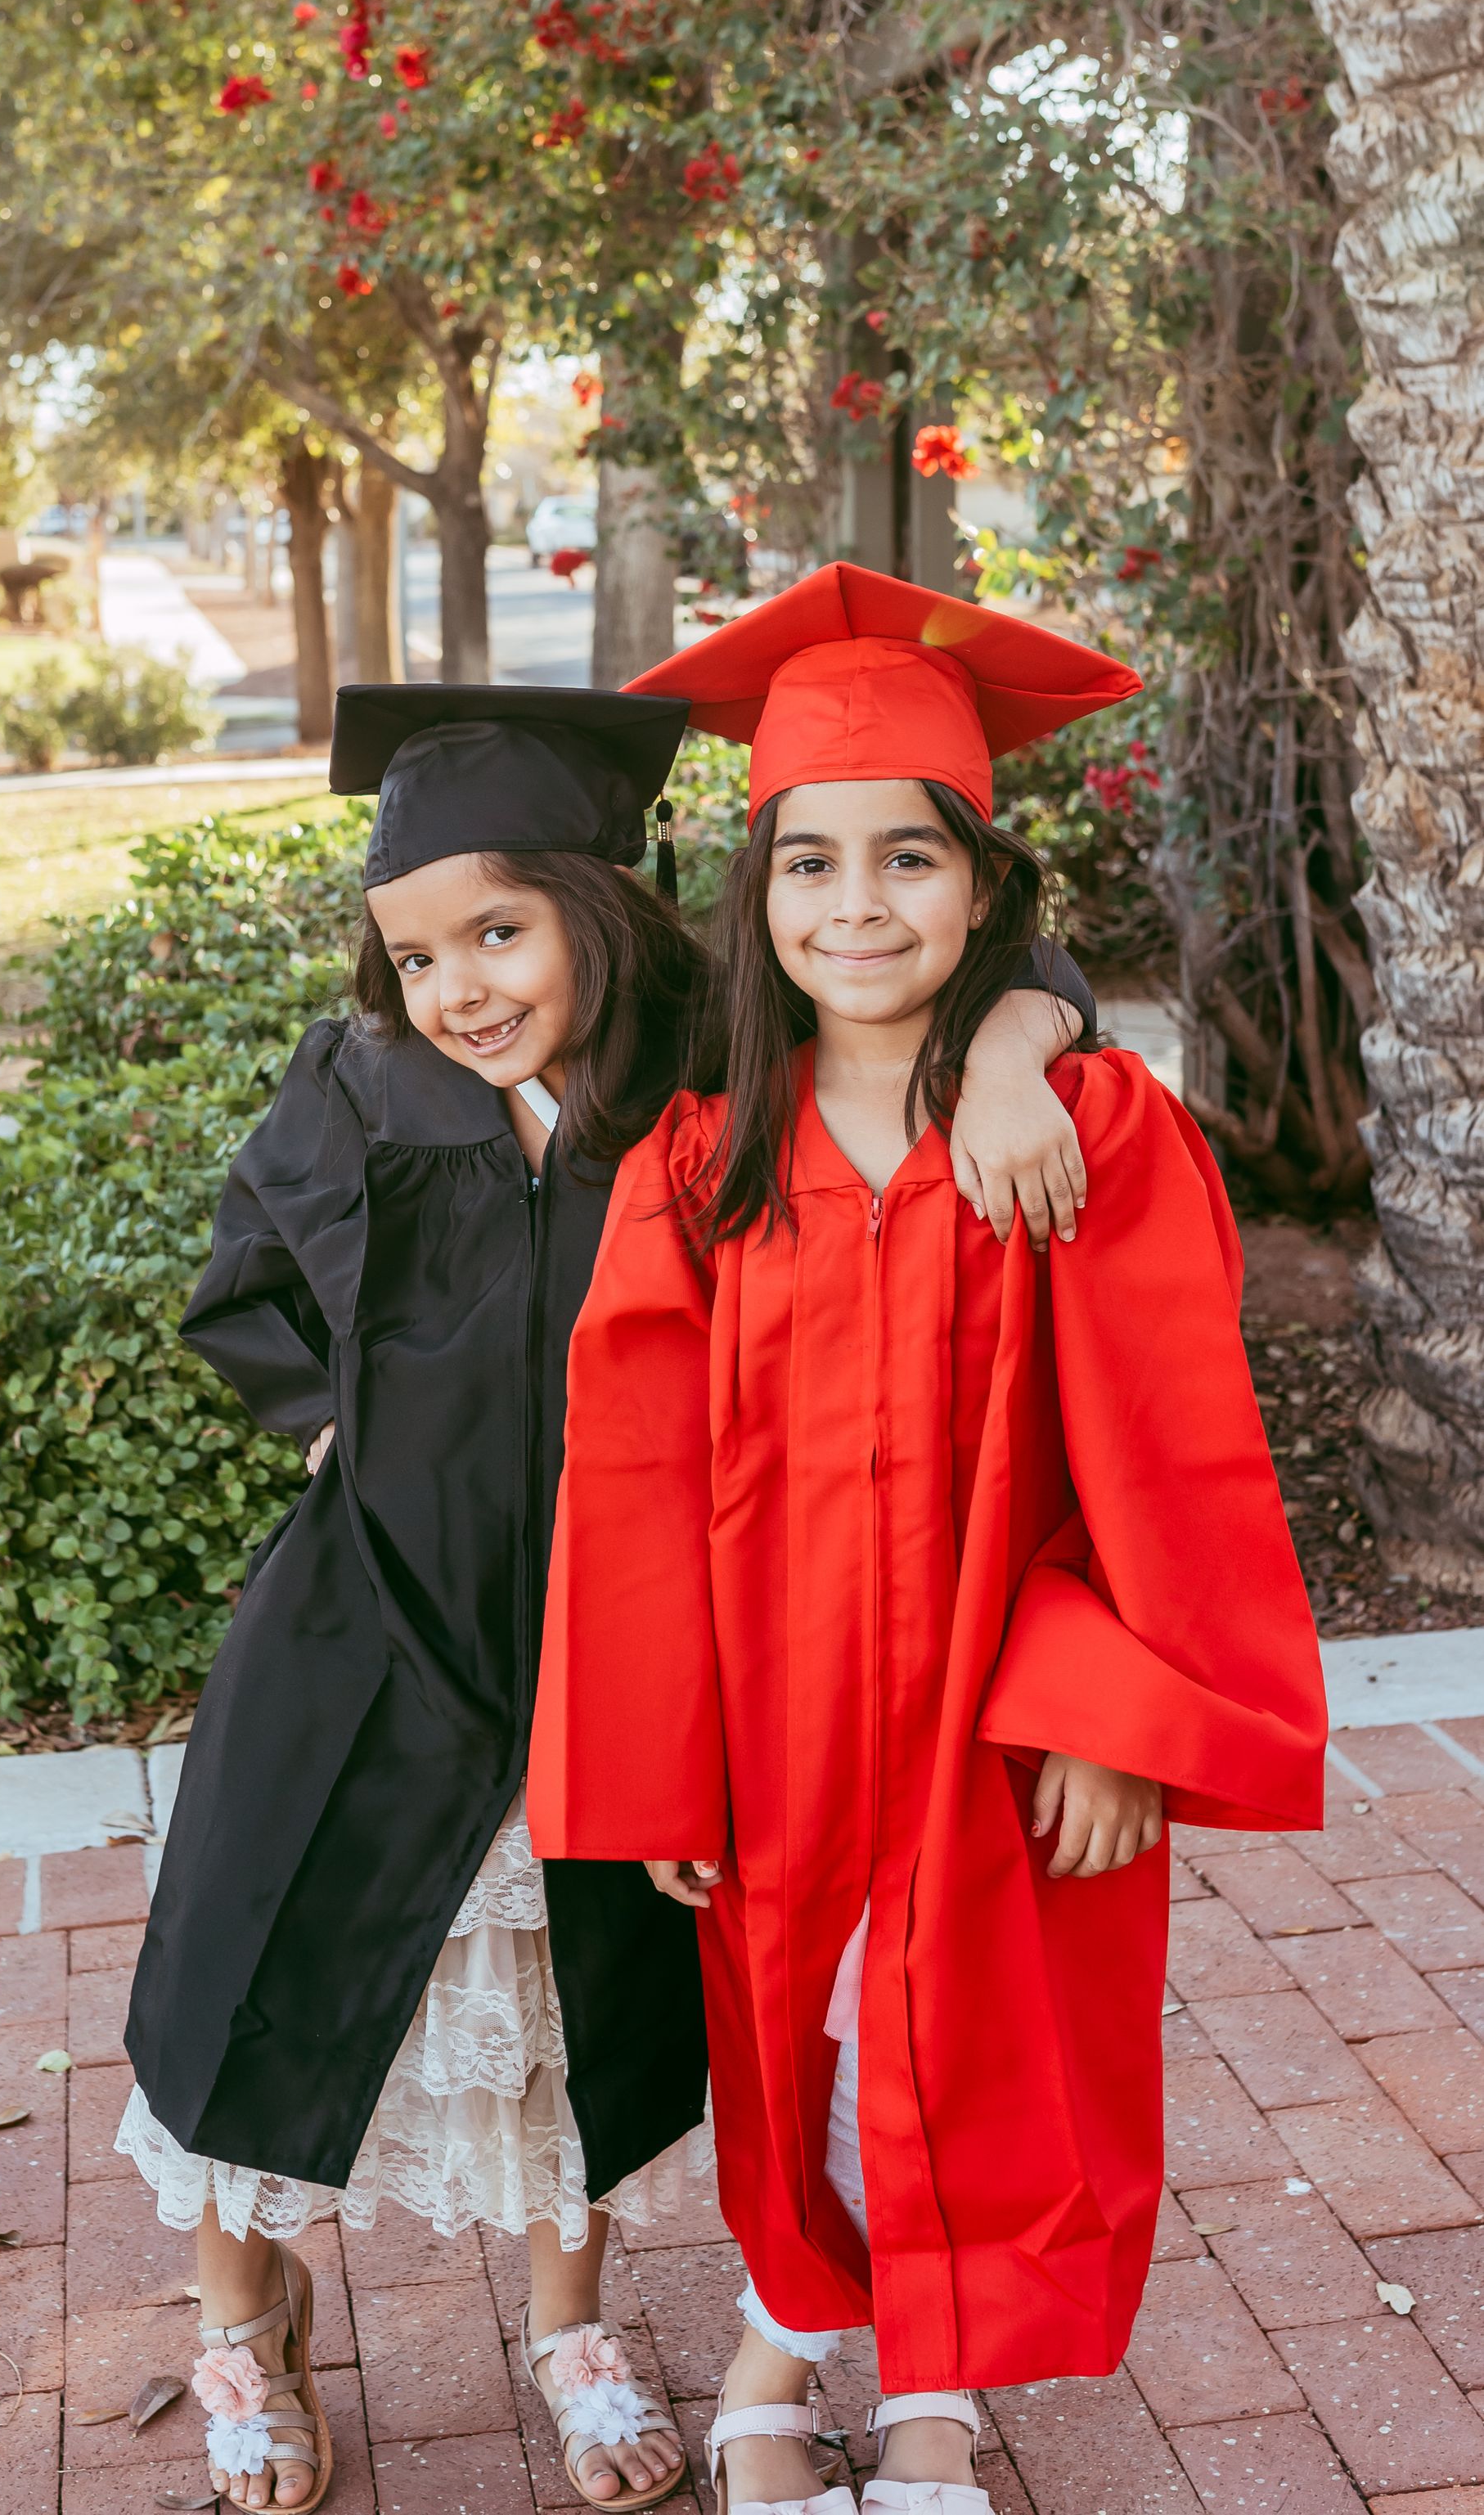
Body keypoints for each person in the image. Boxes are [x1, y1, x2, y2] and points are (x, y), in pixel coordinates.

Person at [122, 678, 1104, 2515]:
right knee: (263, 1966)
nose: (459, 985)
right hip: (370, 1631)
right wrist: (336, 1420)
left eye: (497, 931)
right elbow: (238, 1281)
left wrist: (1015, 1050)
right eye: (414, 953)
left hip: (607, 1637)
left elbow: (983, 959)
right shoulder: (360, 1085)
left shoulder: (702, 1079)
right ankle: (240, 2316)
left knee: (577, 2004)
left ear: (599, 902)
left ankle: (569, 2322)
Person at [528, 567, 1329, 2515]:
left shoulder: (1087, 1130)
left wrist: (1126, 1707)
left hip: (998, 1699)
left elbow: (1172, 1451)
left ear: (980, 884)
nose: (858, 905)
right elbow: (623, 1490)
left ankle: (937, 2406)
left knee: (974, 2038)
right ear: (758, 896)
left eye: (907, 857)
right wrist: (659, 1754)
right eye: (809, 863)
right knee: (796, 2035)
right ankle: (779, 2336)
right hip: (780, 1710)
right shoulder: (695, 1165)